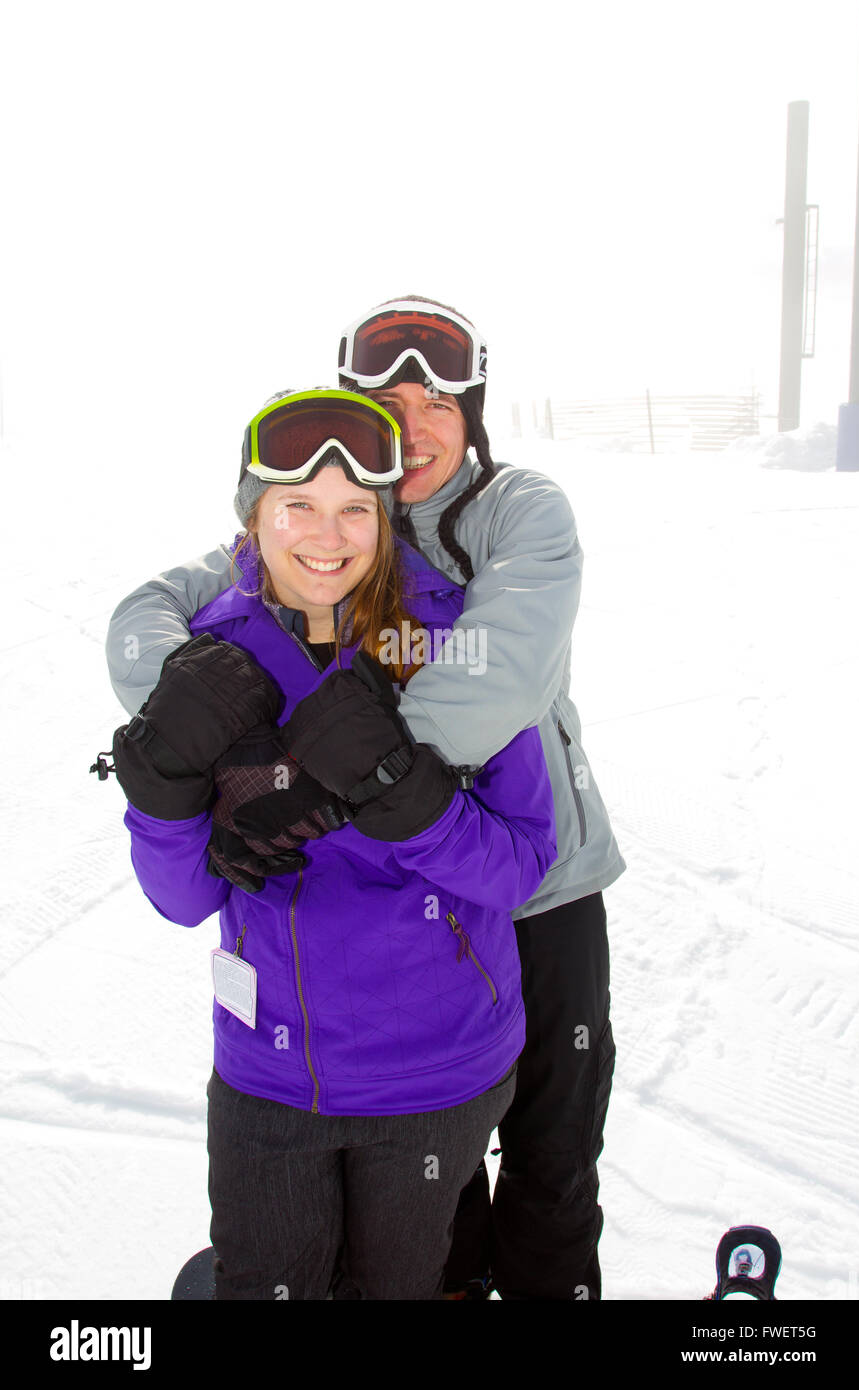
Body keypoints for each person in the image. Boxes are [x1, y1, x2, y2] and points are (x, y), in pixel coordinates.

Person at [106, 300, 626, 1300]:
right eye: (390, 401)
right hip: (384, 943)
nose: (418, 421)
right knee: (439, 1188)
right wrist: (197, 743)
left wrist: (310, 786)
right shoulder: (322, 518)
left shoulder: (514, 509)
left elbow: (500, 681)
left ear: (470, 415)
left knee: (549, 1162)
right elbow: (149, 626)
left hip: (540, 887)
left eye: (439, 400)